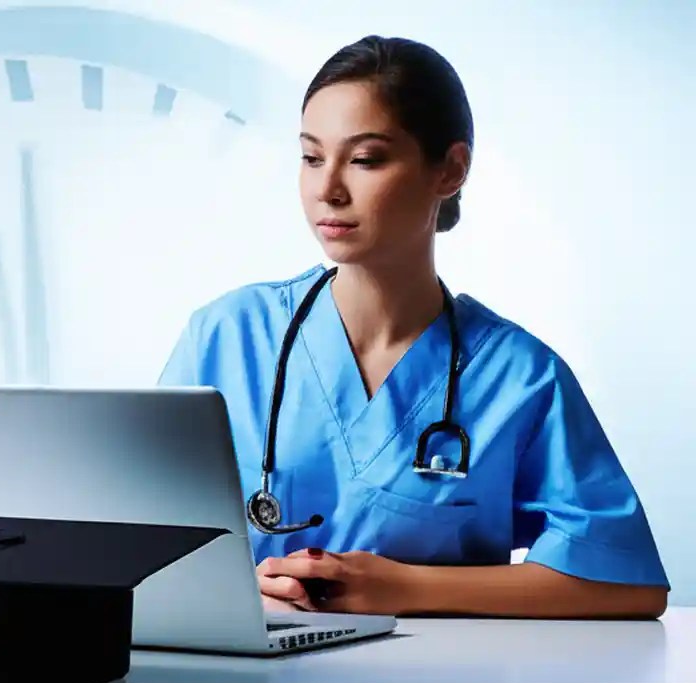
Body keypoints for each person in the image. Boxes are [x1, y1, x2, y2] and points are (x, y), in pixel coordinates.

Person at [157, 35, 668, 619]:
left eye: (365, 159)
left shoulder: (520, 378)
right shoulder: (228, 336)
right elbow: (130, 536)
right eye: (311, 157)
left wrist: (406, 588)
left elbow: (628, 585)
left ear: (449, 170)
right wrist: (246, 587)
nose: (328, 190)